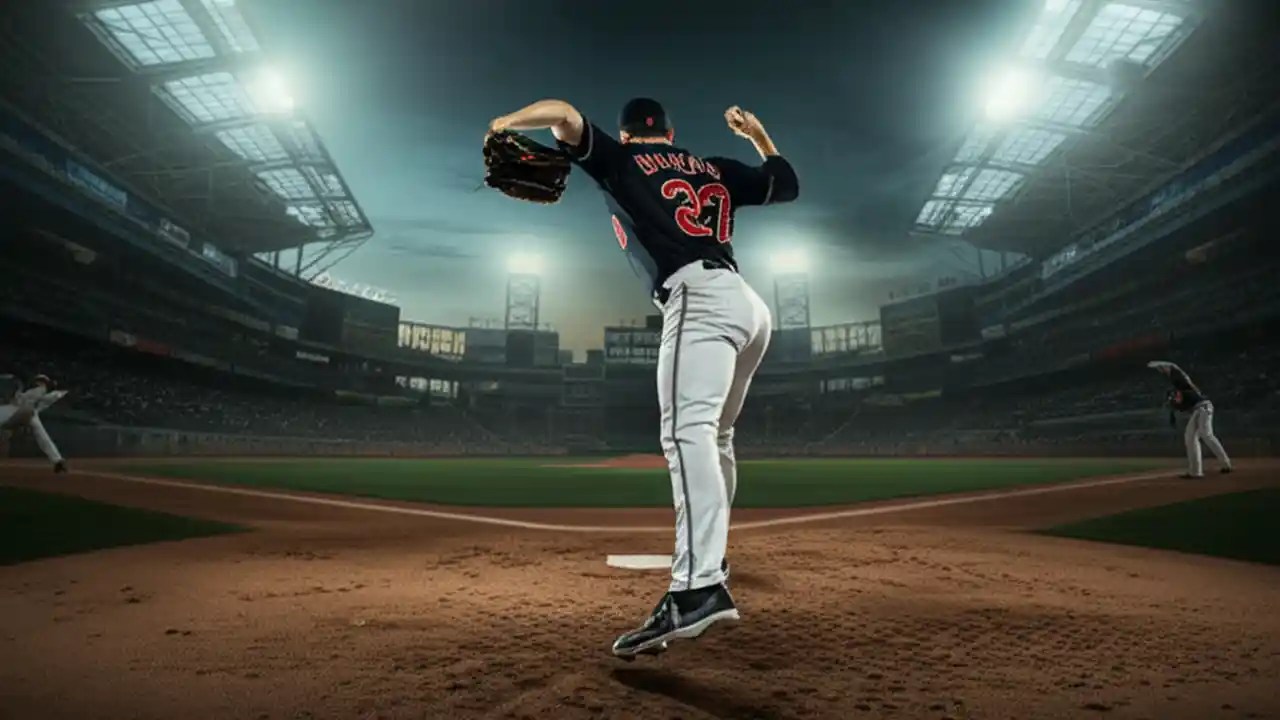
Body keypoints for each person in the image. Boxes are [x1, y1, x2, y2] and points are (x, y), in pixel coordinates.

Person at [488, 98, 799, 658]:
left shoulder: (621, 159)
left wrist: (505, 123)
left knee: (686, 434)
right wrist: (758, 135)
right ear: (671, 135)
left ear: (628, 135)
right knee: (717, 437)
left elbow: (564, 114)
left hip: (698, 298)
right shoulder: (713, 168)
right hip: (750, 308)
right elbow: (786, 184)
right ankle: (712, 562)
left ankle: (697, 589)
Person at [1148, 360, 1232, 478]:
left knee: (1206, 434)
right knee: (1190, 437)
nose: (1174, 397)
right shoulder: (1181, 400)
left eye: (1173, 396)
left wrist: (1165, 367)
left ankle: (1226, 464)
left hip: (1204, 408)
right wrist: (1173, 405)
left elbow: (1179, 375)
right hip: (1200, 410)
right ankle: (1195, 472)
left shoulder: (1185, 388)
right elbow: (1179, 406)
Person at [0, 374, 68, 473]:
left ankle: (58, 461)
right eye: (40, 381)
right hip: (17, 410)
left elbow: (57, 394)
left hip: (24, 411)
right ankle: (57, 460)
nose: (40, 383)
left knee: (42, 434)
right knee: (41, 434)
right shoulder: (36, 391)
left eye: (42, 382)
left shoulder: (42, 392)